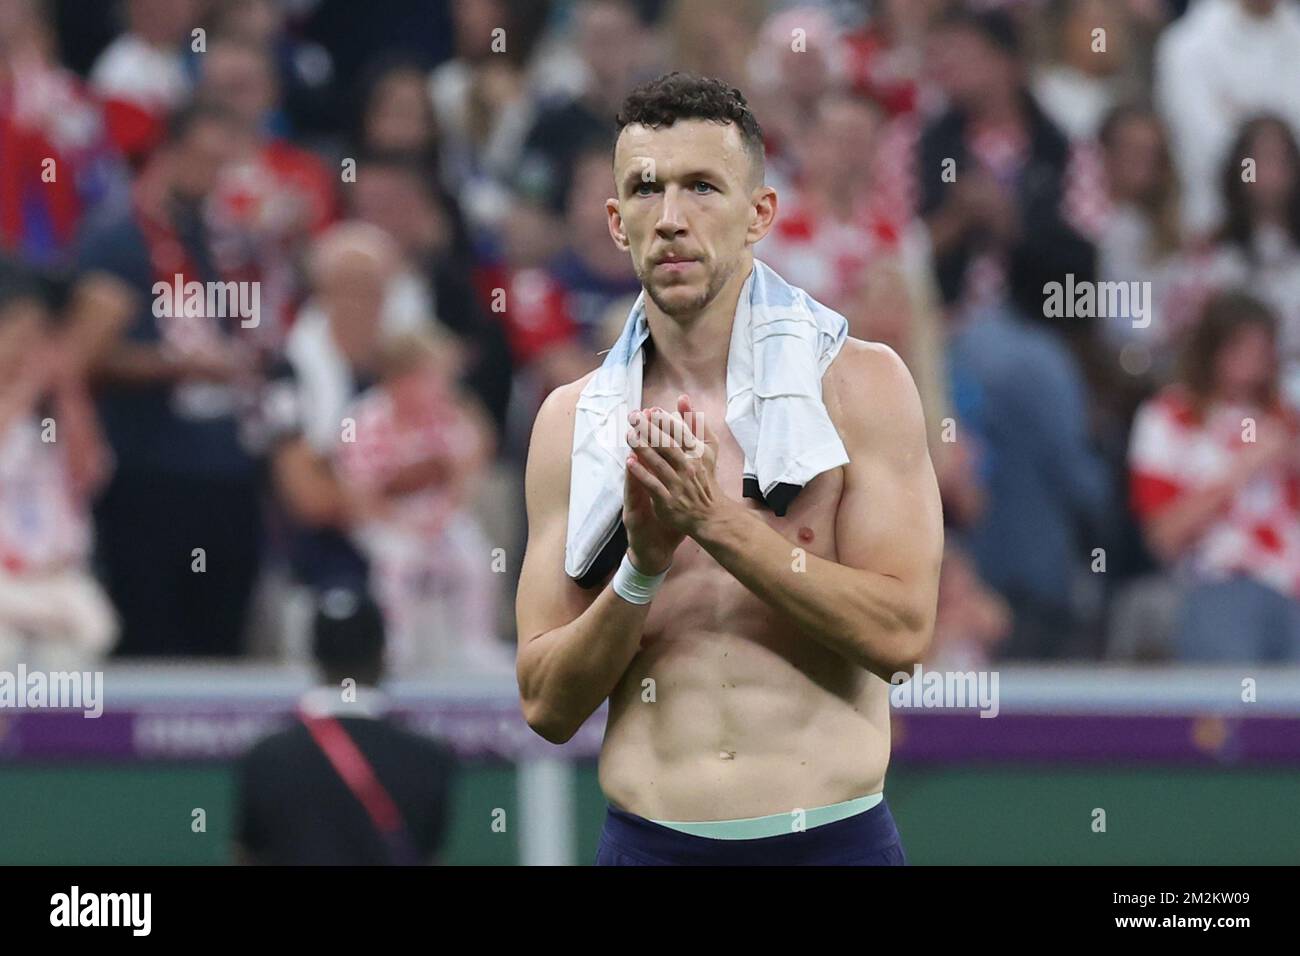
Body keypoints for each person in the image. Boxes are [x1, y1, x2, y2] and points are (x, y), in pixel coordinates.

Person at [515, 73, 943, 865]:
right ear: (616, 221)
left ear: (760, 215)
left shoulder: (860, 385)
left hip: (829, 841)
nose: (671, 218)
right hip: (650, 843)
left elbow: (903, 634)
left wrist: (714, 523)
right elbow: (545, 702)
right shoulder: (572, 422)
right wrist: (641, 570)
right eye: (646, 190)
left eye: (702, 187)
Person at [72, 104, 264, 658]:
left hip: (223, 470)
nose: (212, 177)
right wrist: (182, 366)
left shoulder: (214, 236)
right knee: (154, 636)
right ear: (169, 152)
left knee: (222, 638)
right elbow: (86, 355)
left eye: (222, 165)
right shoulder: (119, 237)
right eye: (203, 160)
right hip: (150, 474)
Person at [1128, 291, 1300, 662]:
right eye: (1242, 349)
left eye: (1263, 351)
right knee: (1235, 706)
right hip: (1219, 583)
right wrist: (1244, 467)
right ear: (1213, 351)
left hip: (1292, 588)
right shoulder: (1169, 418)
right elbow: (1163, 537)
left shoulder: (1287, 419)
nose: (1255, 363)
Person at [234, 588, 458, 865]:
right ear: (382, 655)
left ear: (315, 656)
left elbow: (248, 857)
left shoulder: (266, 758)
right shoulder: (428, 758)